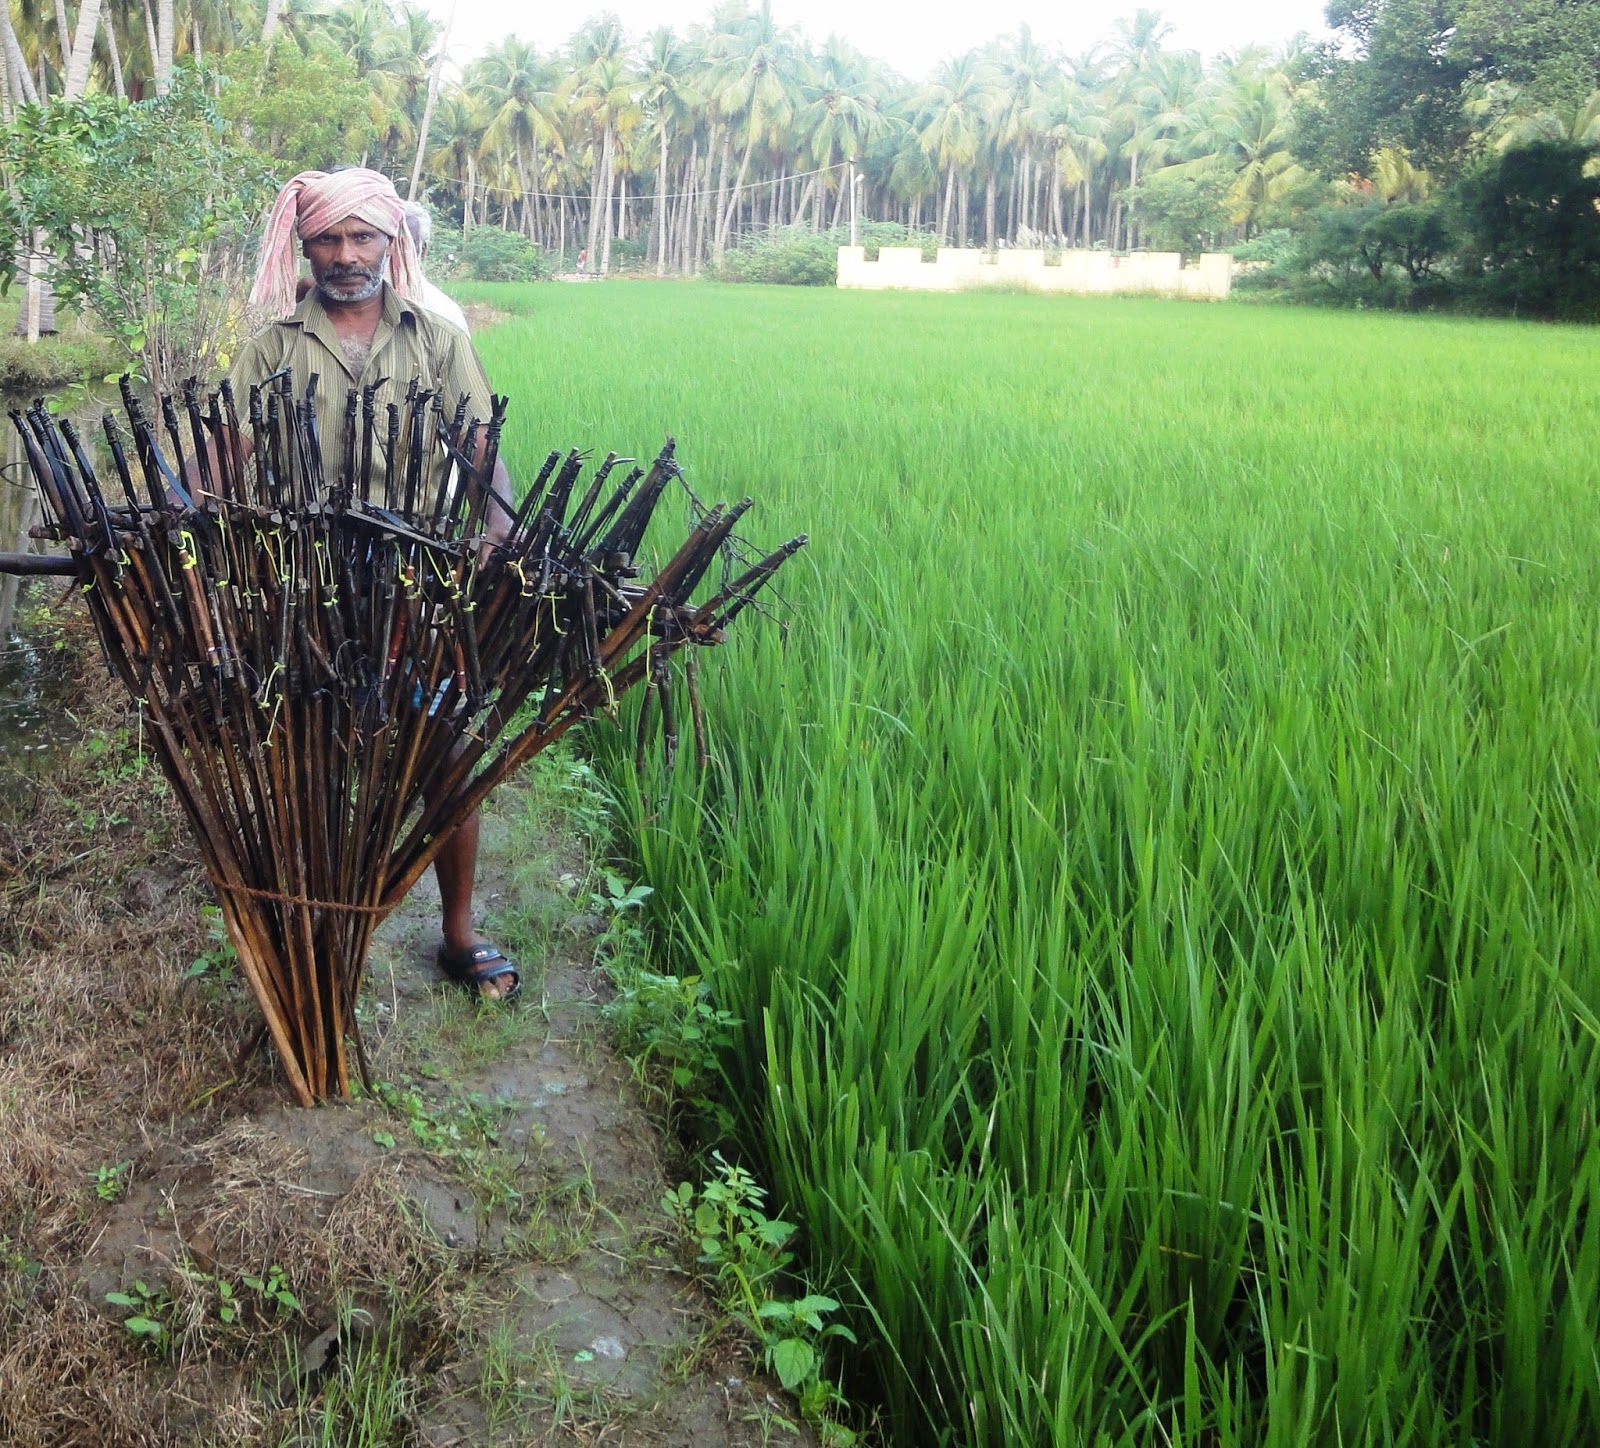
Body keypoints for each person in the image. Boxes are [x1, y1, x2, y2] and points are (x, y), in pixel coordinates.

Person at [228, 166, 519, 1002]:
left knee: (446, 752)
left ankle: (458, 931)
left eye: (362, 238)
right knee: (308, 748)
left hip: (416, 579)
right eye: (328, 238)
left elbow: (478, 442)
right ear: (305, 244)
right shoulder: (273, 346)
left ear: (391, 244)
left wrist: (502, 529)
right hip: (307, 582)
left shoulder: (435, 337)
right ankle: (316, 918)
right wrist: (165, 515)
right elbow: (224, 455)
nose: (346, 254)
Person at [401, 200, 471, 334]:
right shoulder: (358, 304)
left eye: (406, 246)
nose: (397, 254)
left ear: (423, 251)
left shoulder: (444, 312)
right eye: (391, 242)